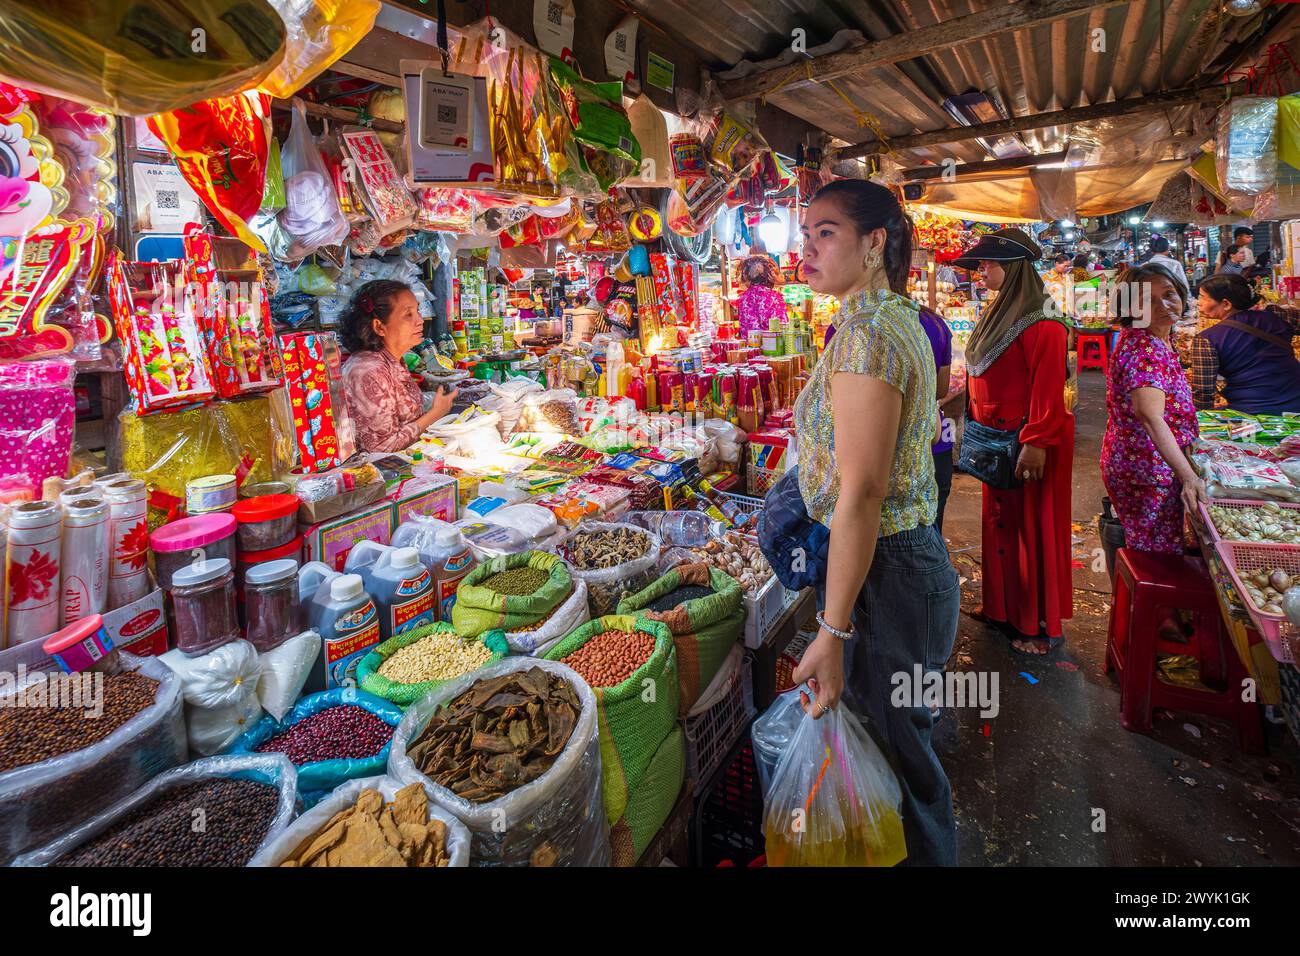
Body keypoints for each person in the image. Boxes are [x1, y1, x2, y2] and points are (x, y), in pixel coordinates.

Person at [790, 178, 959, 866]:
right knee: (902, 756)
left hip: (886, 576)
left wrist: (832, 631)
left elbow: (861, 492)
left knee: (897, 767)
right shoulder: (893, 318)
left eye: (824, 233)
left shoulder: (866, 335)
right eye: (804, 235)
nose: (806, 250)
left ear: (875, 243)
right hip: (903, 567)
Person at [952, 228, 1073, 656]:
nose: (981, 270)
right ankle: (1001, 608)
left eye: (988, 264)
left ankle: (1035, 623)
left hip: (1024, 444)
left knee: (1029, 531)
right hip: (993, 441)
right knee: (997, 524)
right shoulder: (1000, 311)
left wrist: (1036, 441)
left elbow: (1047, 388)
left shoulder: (1044, 321)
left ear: (1014, 267)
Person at [1101, 263, 1205, 553]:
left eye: (1169, 294)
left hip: (1151, 464)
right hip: (1146, 471)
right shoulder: (1144, 347)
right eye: (1148, 299)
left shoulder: (1160, 337)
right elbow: (1150, 417)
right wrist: (1188, 477)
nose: (1163, 305)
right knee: (1155, 555)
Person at [340, 279, 457, 453]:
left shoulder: (389, 360)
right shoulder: (367, 372)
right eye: (408, 314)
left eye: (417, 311)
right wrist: (435, 414)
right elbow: (381, 448)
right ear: (379, 327)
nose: (420, 320)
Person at [1190, 273, 1300, 414]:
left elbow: (1203, 392)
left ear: (1226, 304)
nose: (1198, 302)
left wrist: (1200, 422)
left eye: (1203, 297)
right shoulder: (1277, 315)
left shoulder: (1205, 340)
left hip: (1252, 413)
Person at [917, 306, 954, 532]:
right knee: (932, 532)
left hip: (883, 455)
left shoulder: (849, 325)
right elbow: (941, 390)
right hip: (935, 443)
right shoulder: (934, 323)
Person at [736, 254, 787, 341]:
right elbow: (783, 327)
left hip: (751, 350)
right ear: (770, 276)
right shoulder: (774, 297)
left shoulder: (743, 299)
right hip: (772, 349)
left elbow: (745, 329)